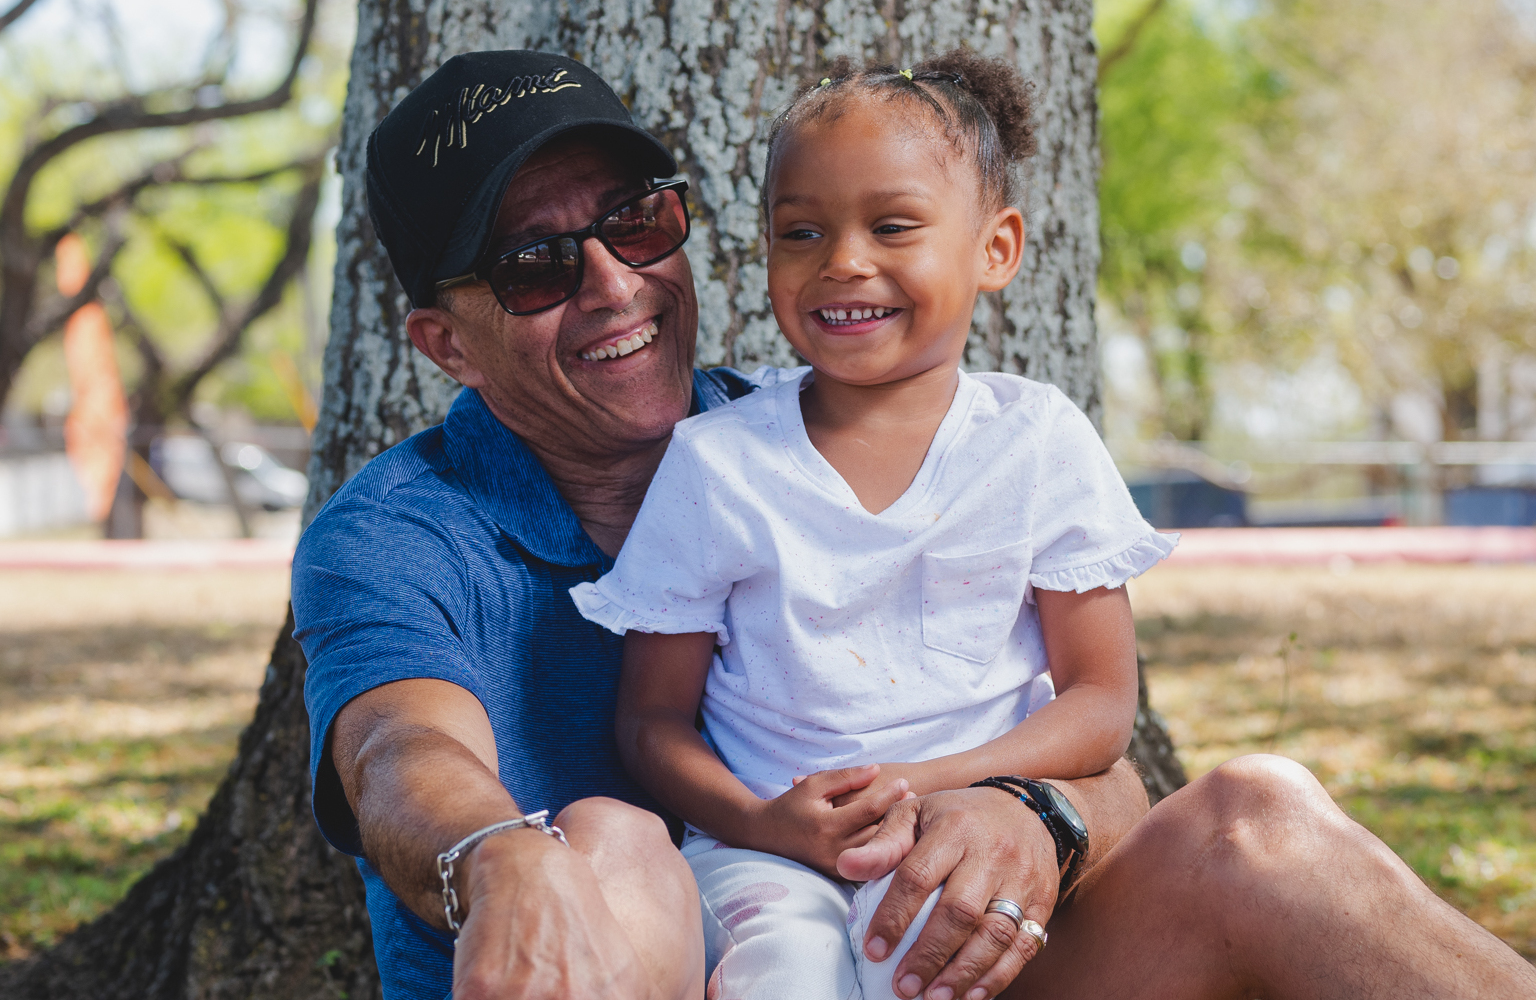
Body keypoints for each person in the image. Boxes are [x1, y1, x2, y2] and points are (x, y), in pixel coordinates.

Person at [292, 48, 1536, 1000]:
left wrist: (1024, 811)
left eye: (638, 221)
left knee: (1260, 815)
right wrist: (498, 858)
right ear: (446, 341)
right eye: (535, 265)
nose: (616, 283)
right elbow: (404, 757)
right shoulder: (395, 533)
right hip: (708, 950)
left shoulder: (802, 431)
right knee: (608, 846)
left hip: (938, 958)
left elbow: (1113, 758)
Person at [569, 49, 1172, 1000]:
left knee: (937, 964)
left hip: (970, 835)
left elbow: (1100, 700)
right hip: (760, 857)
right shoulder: (717, 462)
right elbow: (651, 721)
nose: (843, 261)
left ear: (996, 250)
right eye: (800, 231)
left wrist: (942, 782)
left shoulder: (1037, 442)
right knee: (786, 973)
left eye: (893, 225)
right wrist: (770, 823)